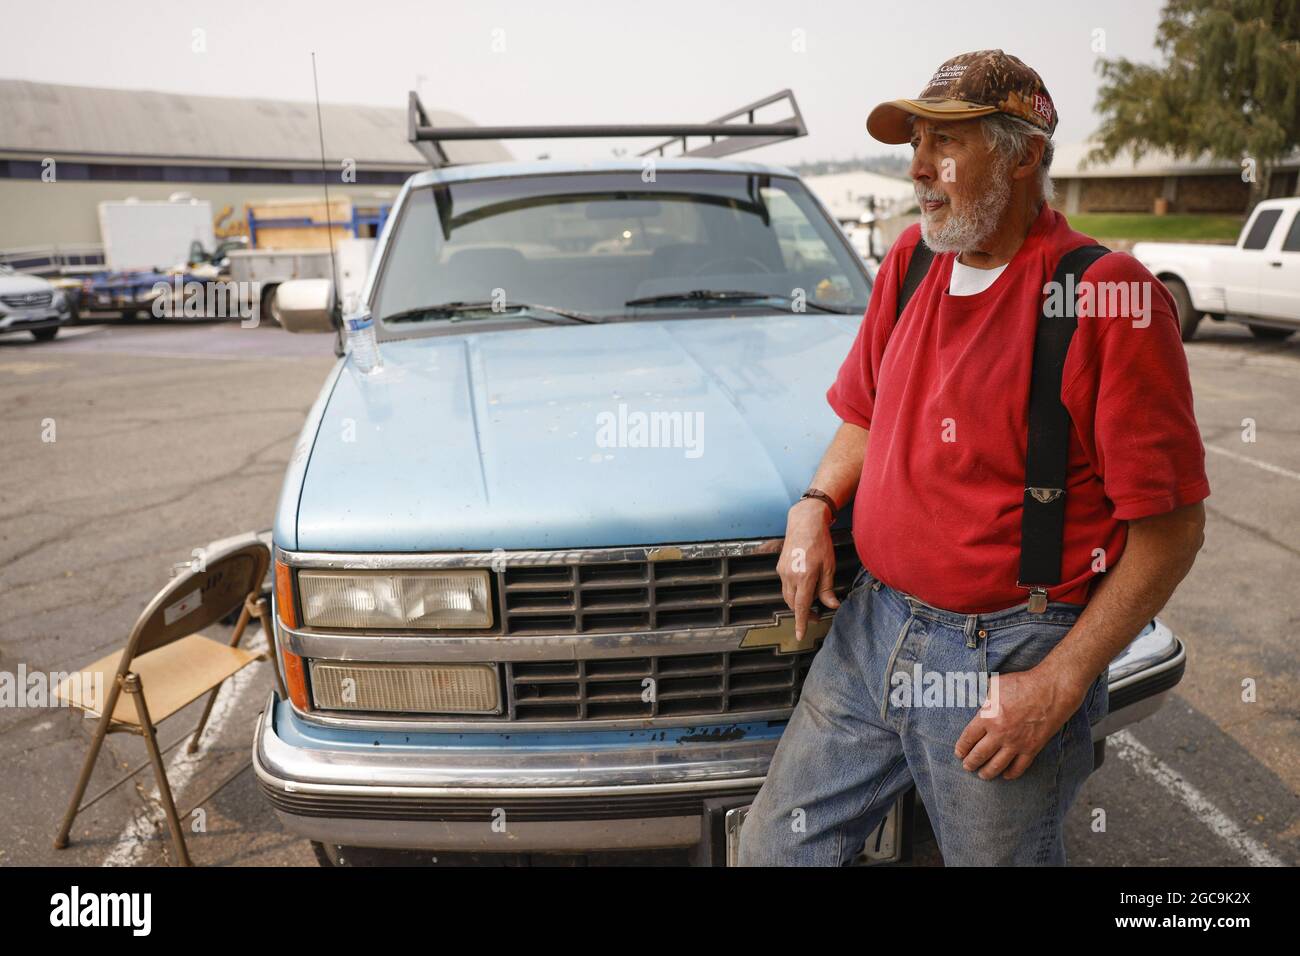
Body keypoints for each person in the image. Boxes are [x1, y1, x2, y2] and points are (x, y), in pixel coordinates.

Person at [738, 49, 1208, 866]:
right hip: (872, 627)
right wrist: (813, 504)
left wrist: (1057, 687)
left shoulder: (1105, 296)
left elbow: (1172, 532)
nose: (919, 168)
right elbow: (863, 414)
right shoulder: (911, 265)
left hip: (1009, 652)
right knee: (777, 848)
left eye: (947, 143)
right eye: (916, 143)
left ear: (1024, 154)